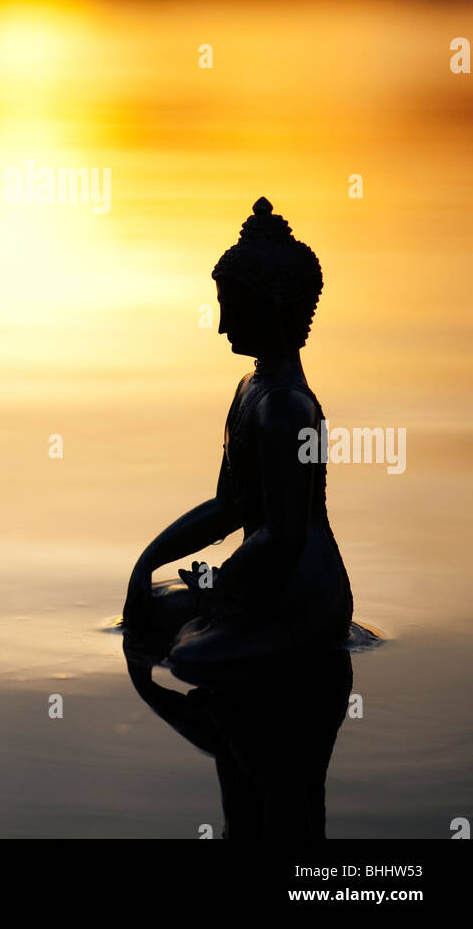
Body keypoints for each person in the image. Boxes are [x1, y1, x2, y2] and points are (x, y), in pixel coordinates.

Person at [122, 197, 353, 669]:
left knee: (188, 656)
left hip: (302, 592)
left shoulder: (288, 407)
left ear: (270, 309)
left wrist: (220, 584)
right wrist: (148, 561)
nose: (223, 325)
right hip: (257, 577)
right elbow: (229, 505)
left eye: (232, 308)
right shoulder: (250, 386)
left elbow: (286, 538)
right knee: (153, 608)